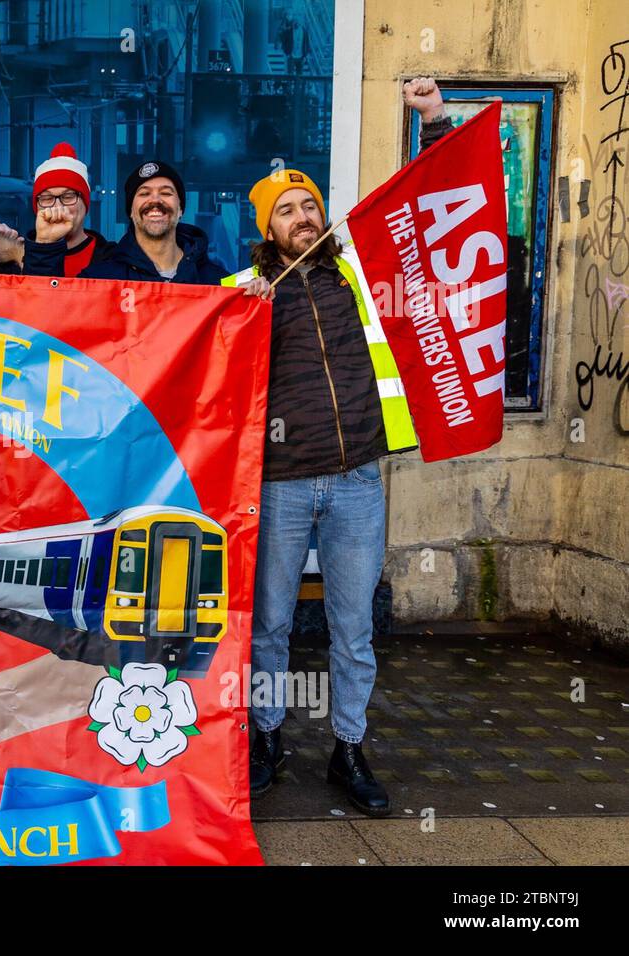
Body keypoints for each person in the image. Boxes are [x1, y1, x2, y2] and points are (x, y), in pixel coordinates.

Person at [227, 77, 456, 815]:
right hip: (282, 484)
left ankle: (348, 750)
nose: (303, 217)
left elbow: (435, 212)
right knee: (270, 627)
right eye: (287, 211)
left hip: (359, 478)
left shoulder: (364, 272)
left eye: (309, 207)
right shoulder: (243, 290)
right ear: (267, 228)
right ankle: (266, 738)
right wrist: (239, 319)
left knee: (354, 631)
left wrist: (436, 121)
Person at [26, 158, 227, 283]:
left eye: (166, 193)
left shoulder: (217, 280)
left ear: (181, 208)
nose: (155, 200)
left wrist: (255, 294)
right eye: (144, 193)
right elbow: (49, 324)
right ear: (130, 210)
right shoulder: (99, 279)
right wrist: (46, 245)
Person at [21, 142, 111, 277]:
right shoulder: (17, 261)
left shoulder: (112, 260)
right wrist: (45, 244)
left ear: (85, 204)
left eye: (68, 196)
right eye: (47, 198)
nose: (57, 207)